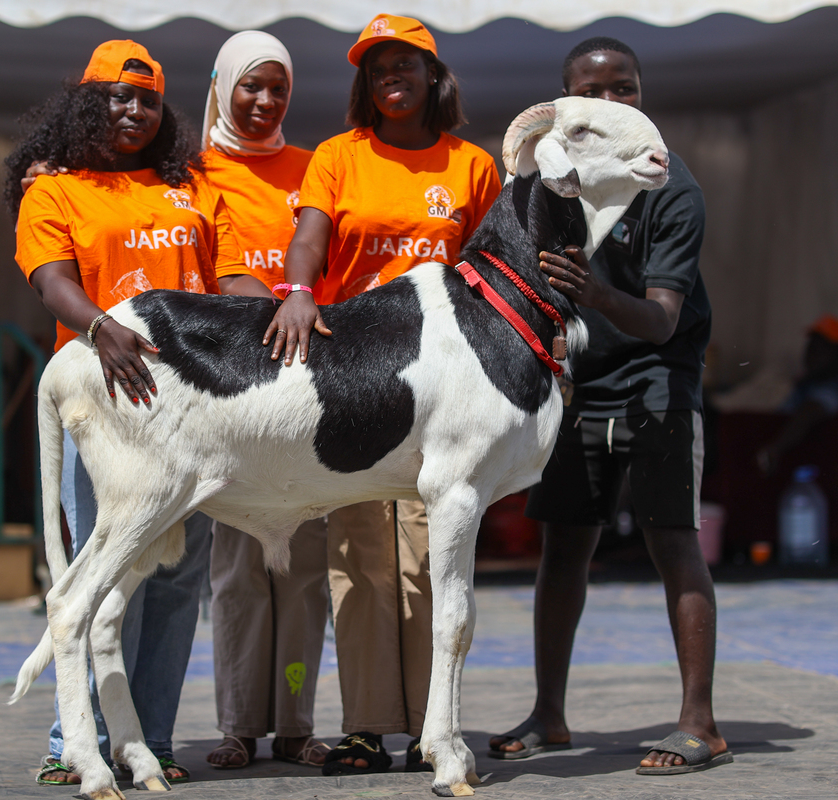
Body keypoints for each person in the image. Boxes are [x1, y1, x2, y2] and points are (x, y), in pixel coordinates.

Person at [487, 37, 731, 774]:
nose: (612, 102)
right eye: (593, 93)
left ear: (642, 94)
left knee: (672, 541)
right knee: (563, 546)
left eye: (624, 88)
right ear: (564, 106)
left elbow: (660, 321)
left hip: (659, 380)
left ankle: (701, 724)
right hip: (580, 382)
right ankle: (549, 714)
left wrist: (593, 293)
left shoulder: (671, 186)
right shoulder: (553, 184)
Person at [265, 14, 501, 775]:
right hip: (359, 376)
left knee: (435, 557)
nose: (390, 76)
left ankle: (436, 728)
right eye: (375, 68)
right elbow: (310, 236)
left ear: (434, 75)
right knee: (360, 553)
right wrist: (299, 291)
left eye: (404, 63)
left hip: (447, 382)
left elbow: (492, 270)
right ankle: (366, 727)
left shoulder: (473, 166)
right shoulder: (339, 156)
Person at [8, 39, 238, 786]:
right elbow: (51, 279)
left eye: (149, 101)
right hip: (104, 405)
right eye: (118, 96)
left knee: (175, 578)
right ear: (86, 104)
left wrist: (294, 310)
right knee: (105, 571)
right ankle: (75, 740)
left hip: (192, 409)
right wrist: (101, 326)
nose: (135, 110)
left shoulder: (192, 187)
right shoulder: (55, 191)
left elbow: (232, 277)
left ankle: (154, 740)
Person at [195, 30, 332, 771]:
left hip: (310, 392)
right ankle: (238, 726)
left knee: (304, 569)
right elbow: (214, 269)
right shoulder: (190, 171)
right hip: (234, 395)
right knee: (240, 568)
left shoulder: (314, 168)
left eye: (278, 88)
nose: (265, 100)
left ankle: (296, 723)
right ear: (222, 86)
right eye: (251, 84)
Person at [756, 314, 838, 475]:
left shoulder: (833, 387)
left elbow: (809, 412)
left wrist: (775, 448)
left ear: (836, 354)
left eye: (820, 347)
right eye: (810, 345)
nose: (811, 353)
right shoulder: (808, 382)